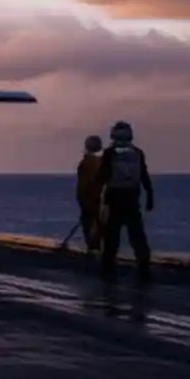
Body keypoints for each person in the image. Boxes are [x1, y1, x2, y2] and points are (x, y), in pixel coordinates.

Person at [96, 121, 154, 283]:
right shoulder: (137, 153)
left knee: (111, 236)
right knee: (137, 236)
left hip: (115, 198)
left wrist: (96, 195)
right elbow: (144, 175)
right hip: (131, 198)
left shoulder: (110, 153)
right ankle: (144, 267)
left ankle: (108, 269)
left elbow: (102, 175)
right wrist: (150, 196)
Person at [76, 135, 105, 252]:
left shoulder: (86, 163)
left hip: (91, 205)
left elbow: (82, 188)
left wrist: (84, 205)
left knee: (91, 235)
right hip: (103, 205)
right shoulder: (104, 162)